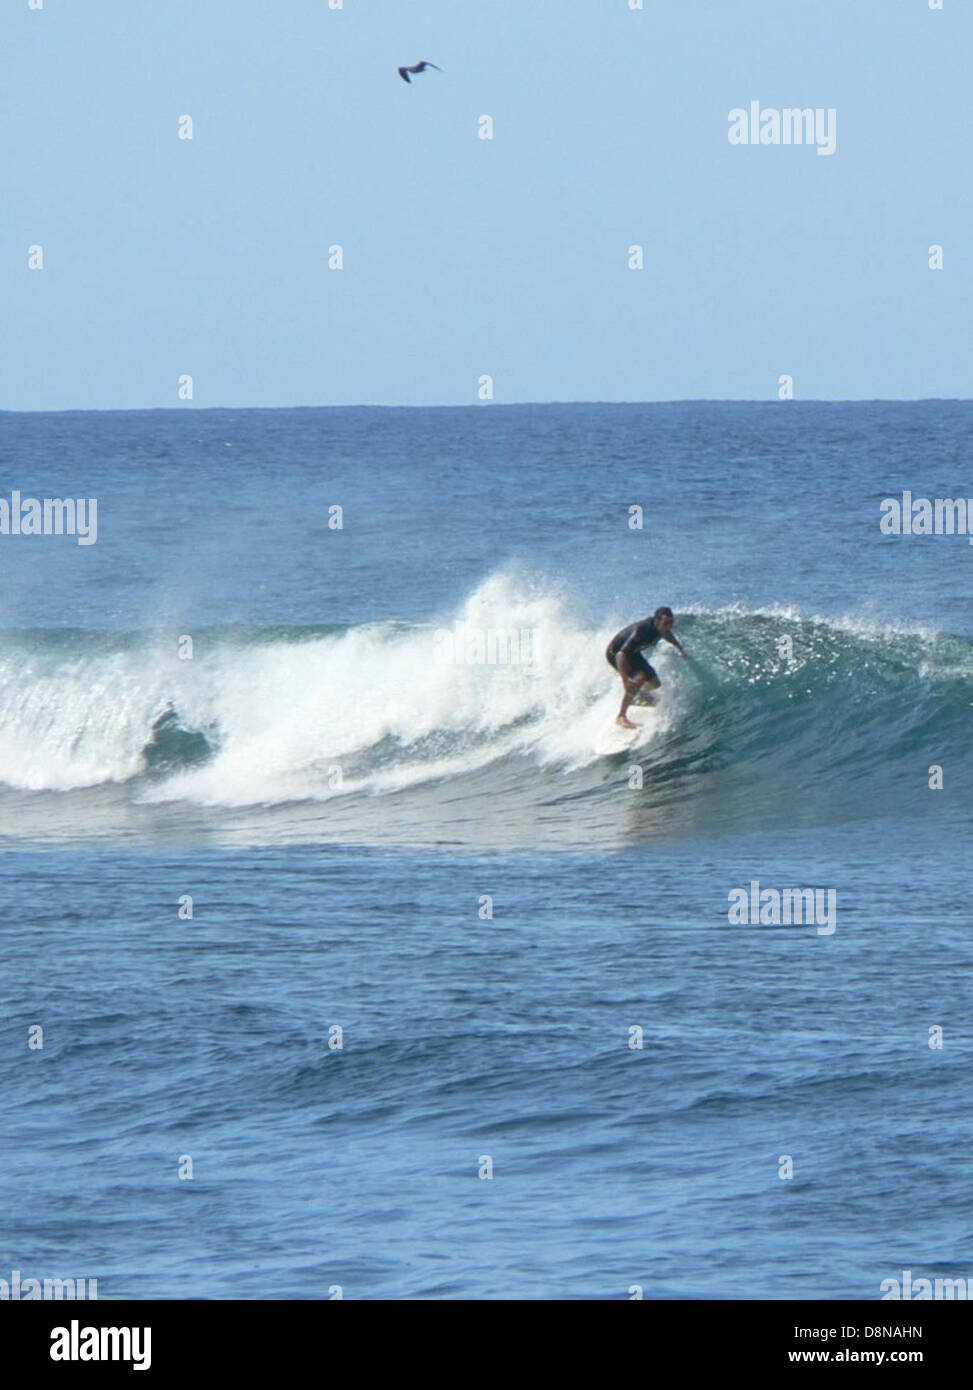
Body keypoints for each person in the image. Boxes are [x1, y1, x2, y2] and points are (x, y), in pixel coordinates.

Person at [606, 606, 688, 728]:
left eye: (671, 622)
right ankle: (621, 716)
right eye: (666, 623)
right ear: (656, 621)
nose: (669, 626)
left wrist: (680, 647)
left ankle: (637, 697)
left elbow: (666, 634)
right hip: (616, 655)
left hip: (633, 653)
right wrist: (625, 681)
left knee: (655, 683)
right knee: (638, 679)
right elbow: (620, 655)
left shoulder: (661, 627)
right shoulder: (641, 631)